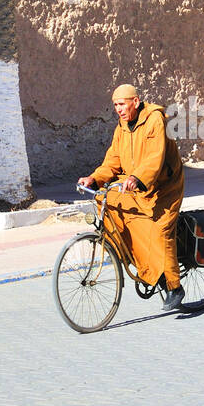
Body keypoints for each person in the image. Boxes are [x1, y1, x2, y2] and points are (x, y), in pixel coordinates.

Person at [79, 84, 185, 312]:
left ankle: (174, 286)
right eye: (115, 105)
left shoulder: (156, 120)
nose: (118, 109)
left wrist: (137, 177)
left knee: (160, 231)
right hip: (135, 185)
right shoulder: (122, 127)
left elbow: (154, 159)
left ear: (135, 102)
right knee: (107, 201)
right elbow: (113, 161)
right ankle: (140, 262)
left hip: (164, 187)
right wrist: (94, 178)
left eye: (122, 104)